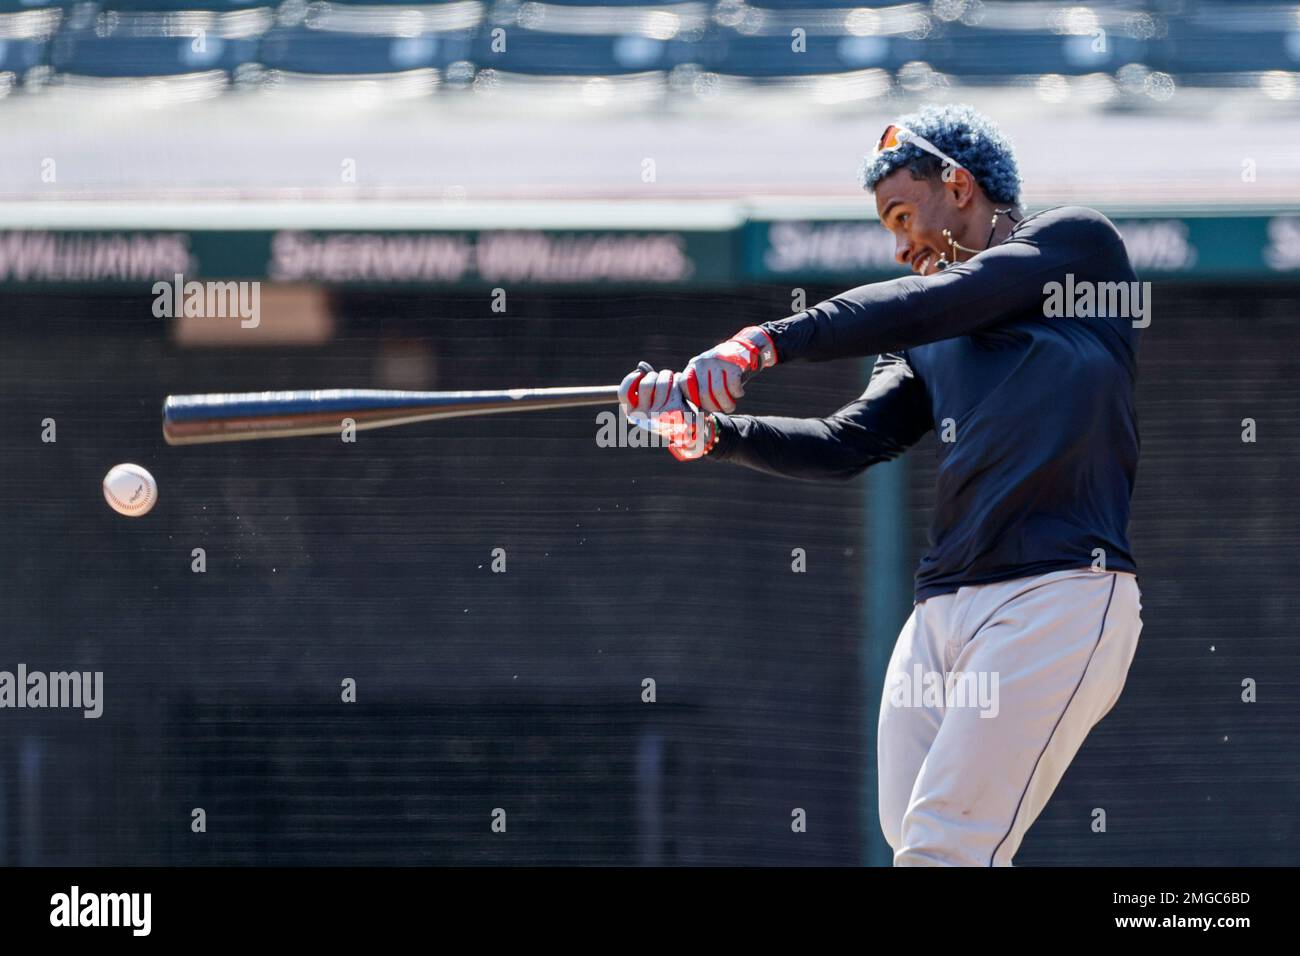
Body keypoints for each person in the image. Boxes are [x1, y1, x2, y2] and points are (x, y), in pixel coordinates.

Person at [618, 103, 1144, 867]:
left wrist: (765, 342)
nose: (900, 247)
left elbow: (936, 301)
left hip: (1059, 594)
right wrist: (711, 434)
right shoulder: (927, 338)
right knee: (914, 837)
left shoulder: (1077, 246)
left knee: (942, 849)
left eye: (904, 216)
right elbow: (846, 442)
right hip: (941, 613)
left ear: (958, 186)